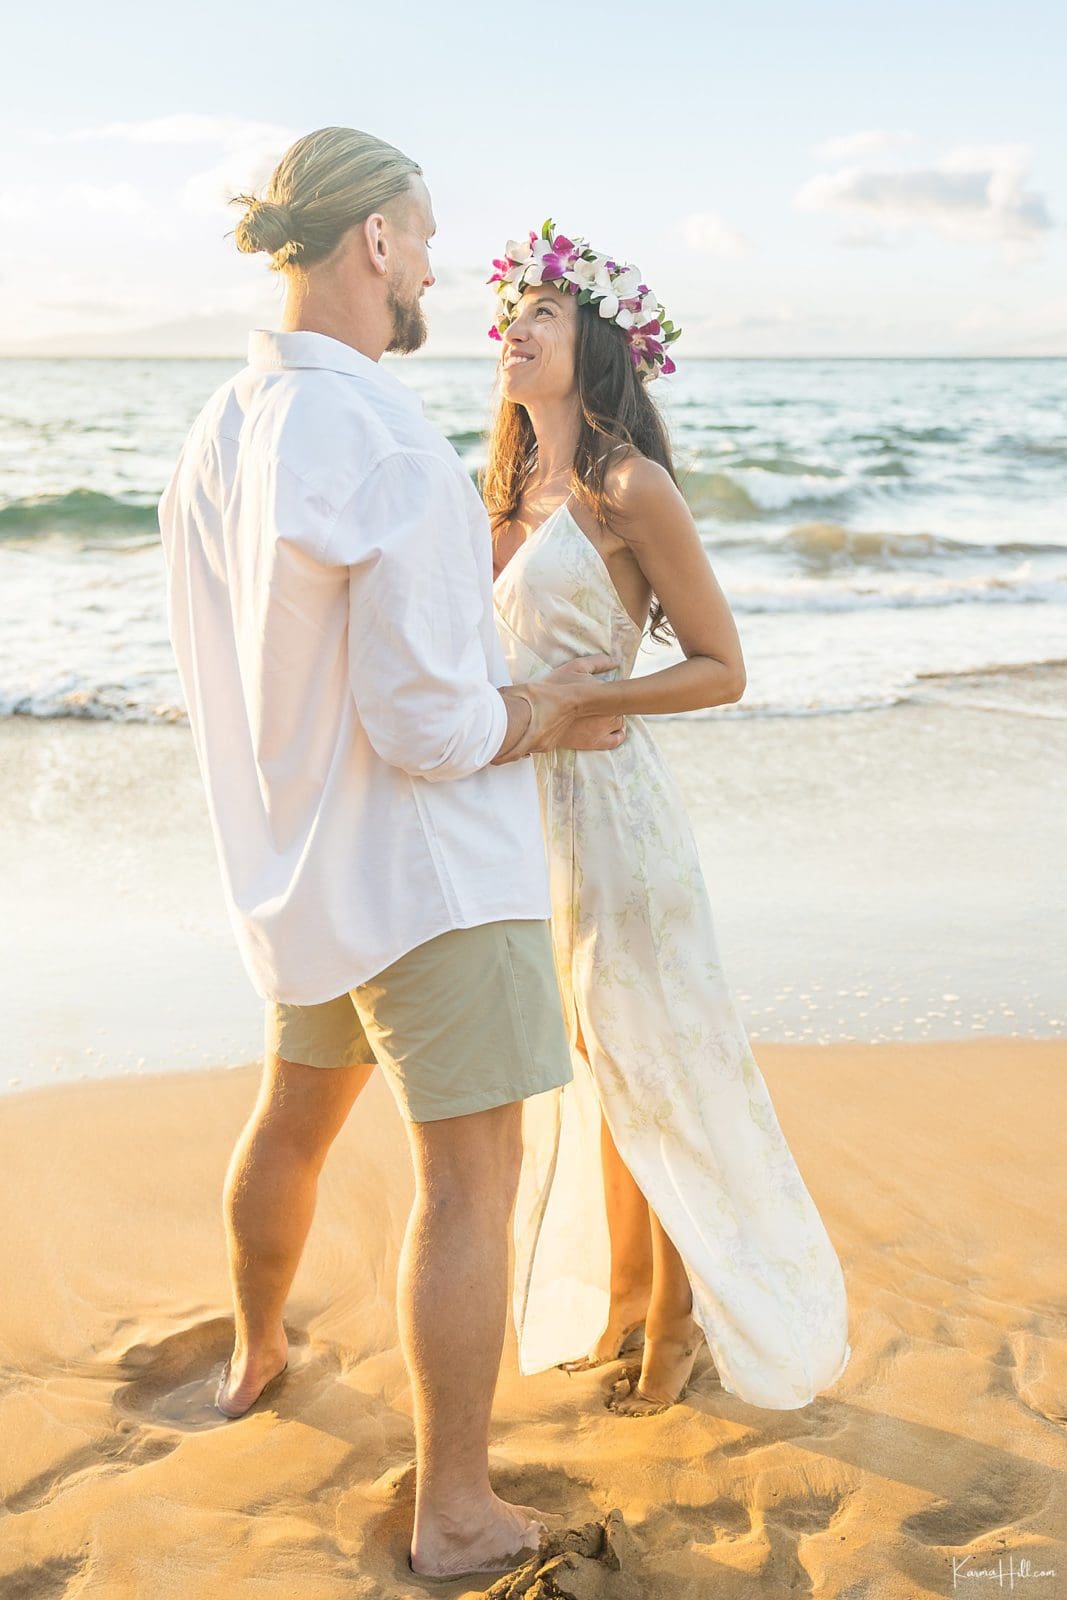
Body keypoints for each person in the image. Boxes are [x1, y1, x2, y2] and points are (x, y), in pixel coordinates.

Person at [157, 132, 625, 1583]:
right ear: (370, 240)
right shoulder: (381, 438)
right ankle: (455, 1510)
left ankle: (253, 1354)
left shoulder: (218, 429)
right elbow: (431, 723)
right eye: (420, 236)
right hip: (425, 880)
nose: (430, 267)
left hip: (298, 860)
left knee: (288, 1123)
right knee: (468, 1182)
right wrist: (545, 710)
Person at [486, 223, 851, 1416]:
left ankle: (677, 1329)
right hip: (519, 814)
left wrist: (601, 695)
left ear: (594, 337)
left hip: (611, 807)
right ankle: (627, 1306)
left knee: (646, 1067)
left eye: (544, 309)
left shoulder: (624, 486)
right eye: (512, 307)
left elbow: (720, 665)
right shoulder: (499, 485)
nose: (518, 325)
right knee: (594, 1067)